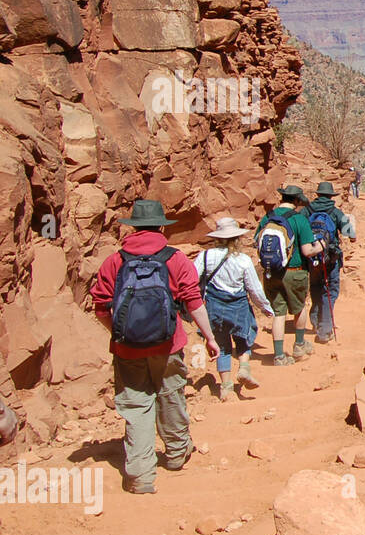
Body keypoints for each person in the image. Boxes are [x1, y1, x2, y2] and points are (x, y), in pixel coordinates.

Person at [90, 200, 220, 494]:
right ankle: (175, 454)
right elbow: (193, 301)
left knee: (137, 406)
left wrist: (118, 333)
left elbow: (100, 306)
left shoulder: (115, 261)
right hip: (168, 345)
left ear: (133, 227)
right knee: (171, 396)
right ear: (162, 226)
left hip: (127, 350)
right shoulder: (175, 259)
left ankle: (139, 474)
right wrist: (210, 337)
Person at [193, 217, 275, 401]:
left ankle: (226, 387)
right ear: (236, 238)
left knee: (222, 346)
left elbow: (192, 278)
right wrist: (265, 307)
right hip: (238, 305)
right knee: (244, 338)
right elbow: (254, 288)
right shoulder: (243, 260)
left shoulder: (205, 256)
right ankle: (244, 368)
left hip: (214, 306)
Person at [256, 186, 324, 365]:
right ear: (296, 201)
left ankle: (278, 355)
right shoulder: (299, 219)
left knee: (279, 313)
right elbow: (307, 250)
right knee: (299, 308)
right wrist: (321, 246)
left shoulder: (268, 217)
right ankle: (299, 345)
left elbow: (257, 241)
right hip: (295, 272)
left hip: (272, 273)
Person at [305, 182, 356, 344]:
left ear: (318, 195)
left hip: (312, 257)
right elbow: (350, 234)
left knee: (315, 287)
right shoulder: (335, 212)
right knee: (330, 291)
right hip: (331, 257)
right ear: (330, 196)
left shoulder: (307, 211)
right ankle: (325, 329)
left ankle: (315, 320)